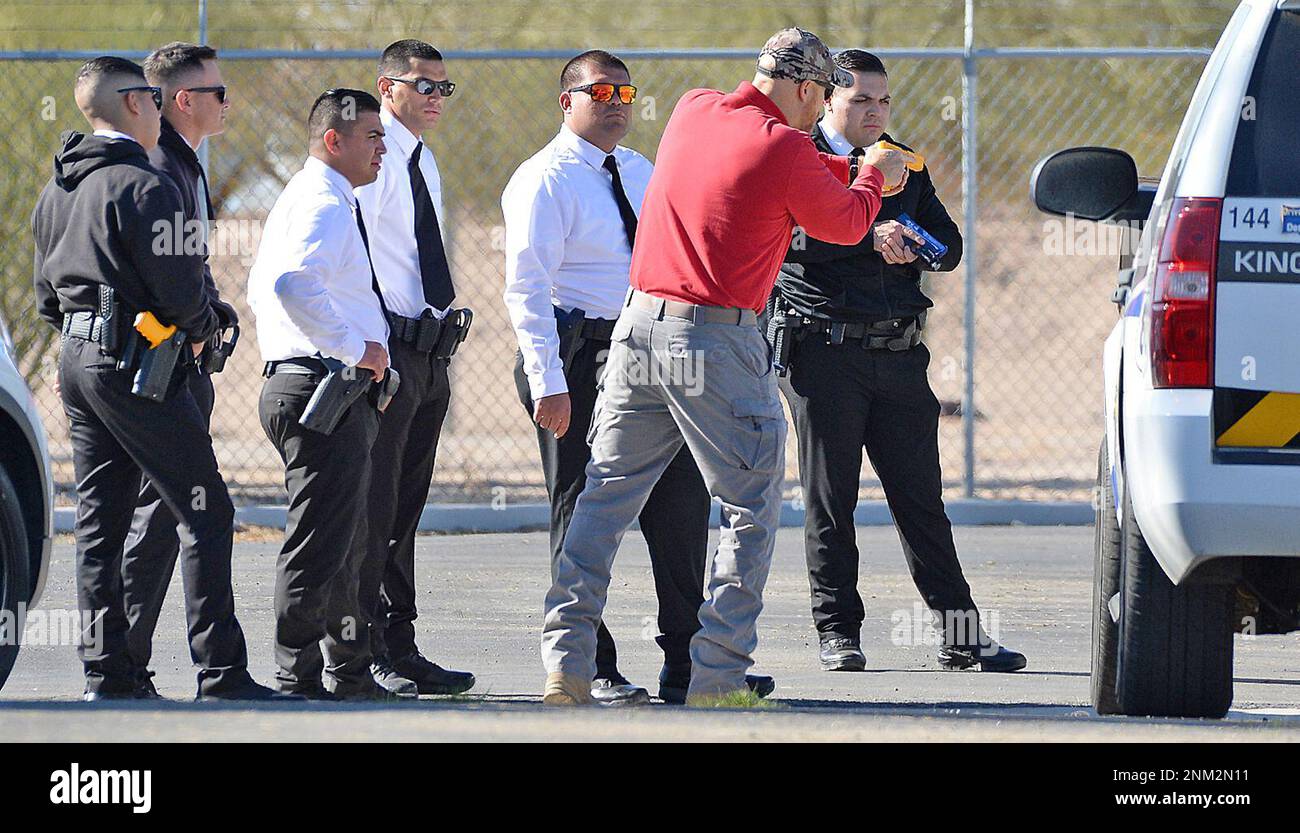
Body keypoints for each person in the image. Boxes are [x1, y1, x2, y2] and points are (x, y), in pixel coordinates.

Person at [538, 28, 908, 705]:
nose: (819, 108)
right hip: (716, 342)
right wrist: (877, 176)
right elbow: (849, 223)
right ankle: (716, 675)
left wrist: (848, 167)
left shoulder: (695, 108)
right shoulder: (787, 147)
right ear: (804, 90)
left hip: (638, 331)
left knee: (604, 497)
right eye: (821, 95)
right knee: (747, 509)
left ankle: (567, 660)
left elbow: (787, 174)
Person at [505, 50, 773, 705]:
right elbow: (526, 288)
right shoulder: (544, 177)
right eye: (601, 90)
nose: (618, 100)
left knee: (682, 507)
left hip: (648, 348)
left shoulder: (639, 168)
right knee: (585, 506)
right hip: (575, 355)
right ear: (566, 100)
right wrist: (547, 380)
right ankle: (586, 664)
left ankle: (688, 662)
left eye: (625, 90)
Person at [32, 56, 283, 701]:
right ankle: (221, 673)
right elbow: (177, 290)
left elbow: (45, 297)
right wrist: (202, 323)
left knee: (100, 520)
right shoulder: (146, 185)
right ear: (139, 104)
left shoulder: (58, 187)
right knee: (204, 508)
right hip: (135, 363)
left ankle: (109, 675)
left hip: (78, 362)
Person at [776, 50, 1026, 673]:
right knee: (830, 501)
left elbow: (949, 246)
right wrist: (869, 233)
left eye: (883, 100)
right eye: (860, 99)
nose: (874, 112)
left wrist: (917, 241)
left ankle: (962, 635)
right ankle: (838, 632)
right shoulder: (797, 156)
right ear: (826, 99)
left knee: (921, 501)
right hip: (824, 352)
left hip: (899, 355)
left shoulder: (901, 161)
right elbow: (785, 240)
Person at [247, 88, 398, 700]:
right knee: (319, 545)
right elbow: (290, 285)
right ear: (334, 140)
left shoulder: (320, 195)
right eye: (372, 137)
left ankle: (348, 672)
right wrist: (353, 347)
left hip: (321, 386)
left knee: (345, 541)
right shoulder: (323, 202)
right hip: (319, 389)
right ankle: (296, 677)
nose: (382, 149)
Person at [353, 39, 475, 697]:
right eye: (422, 84)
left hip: (430, 353)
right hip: (388, 353)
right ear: (387, 86)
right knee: (372, 511)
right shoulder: (370, 158)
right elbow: (356, 260)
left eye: (442, 88)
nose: (434, 97)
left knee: (404, 511)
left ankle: (400, 646)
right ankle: (363, 651)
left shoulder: (426, 162)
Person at [118, 41, 241, 699]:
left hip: (181, 362)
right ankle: (214, 673)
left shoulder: (184, 162)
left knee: (163, 513)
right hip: (162, 364)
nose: (228, 101)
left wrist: (214, 312)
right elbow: (158, 274)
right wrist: (195, 330)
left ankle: (125, 668)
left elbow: (189, 262)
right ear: (184, 100)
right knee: (191, 509)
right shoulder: (162, 163)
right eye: (218, 91)